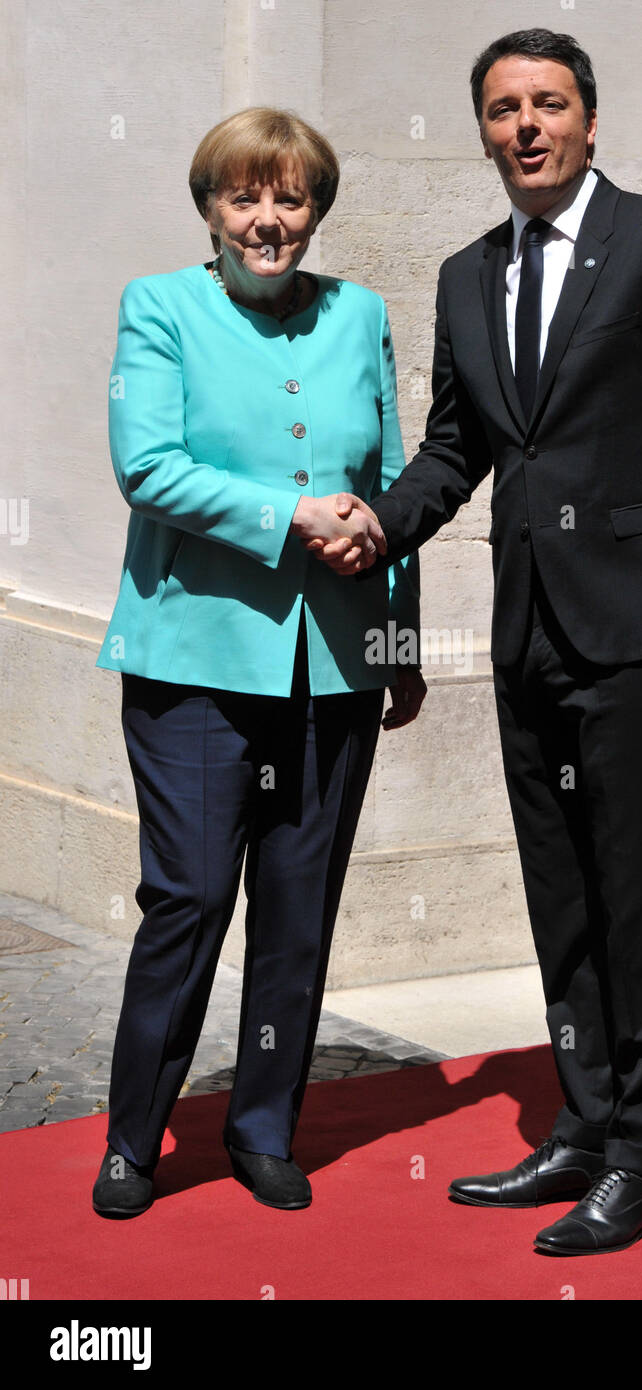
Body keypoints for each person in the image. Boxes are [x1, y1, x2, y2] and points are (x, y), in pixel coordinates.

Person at [308, 30, 642, 1255]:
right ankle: (582, 1118)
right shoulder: (466, 275)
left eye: (548, 103)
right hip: (529, 634)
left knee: (639, 901)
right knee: (561, 896)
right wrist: (376, 521)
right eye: (504, 109)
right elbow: (459, 448)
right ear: (486, 131)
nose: (526, 126)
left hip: (638, 636)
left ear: (590, 121)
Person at [91, 106, 423, 1218]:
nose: (269, 218)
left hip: (333, 664)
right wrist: (290, 517)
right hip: (195, 660)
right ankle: (134, 1138)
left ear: (315, 210)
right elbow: (148, 467)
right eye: (246, 196)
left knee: (299, 904)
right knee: (185, 898)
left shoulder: (361, 312)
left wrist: (397, 639)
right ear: (210, 209)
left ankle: (264, 1125)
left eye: (291, 197)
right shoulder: (160, 306)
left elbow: (386, 487)